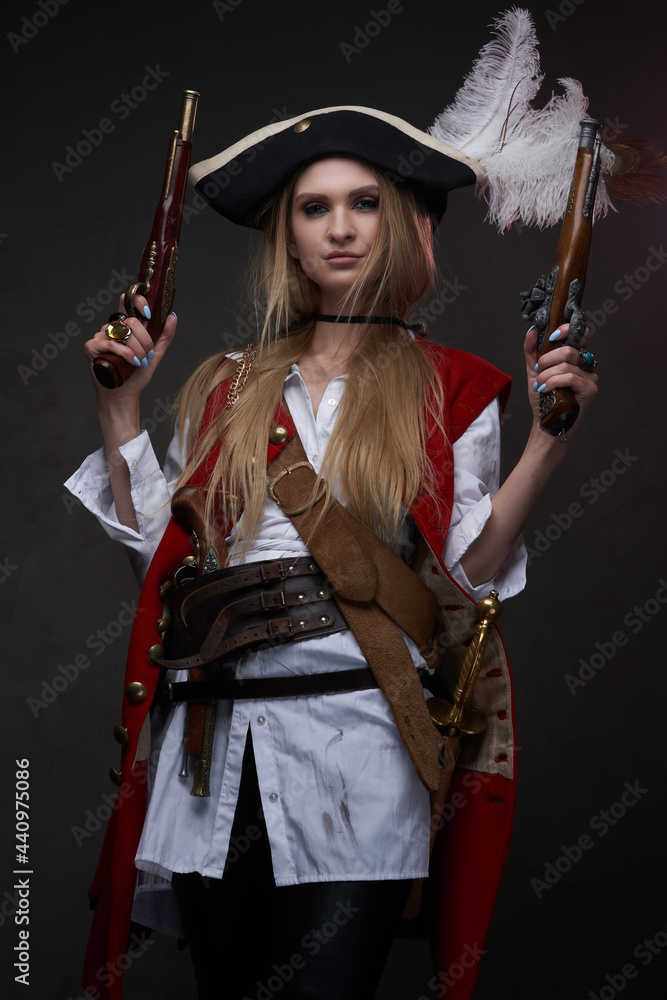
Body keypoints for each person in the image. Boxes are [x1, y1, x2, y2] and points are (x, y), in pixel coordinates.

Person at [66, 106, 598, 1000]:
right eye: (315, 209)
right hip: (212, 755)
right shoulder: (224, 385)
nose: (341, 228)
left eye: (364, 203)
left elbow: (467, 574)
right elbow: (167, 574)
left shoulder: (452, 384)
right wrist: (121, 409)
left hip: (356, 755)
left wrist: (548, 443)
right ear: (290, 237)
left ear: (402, 225)